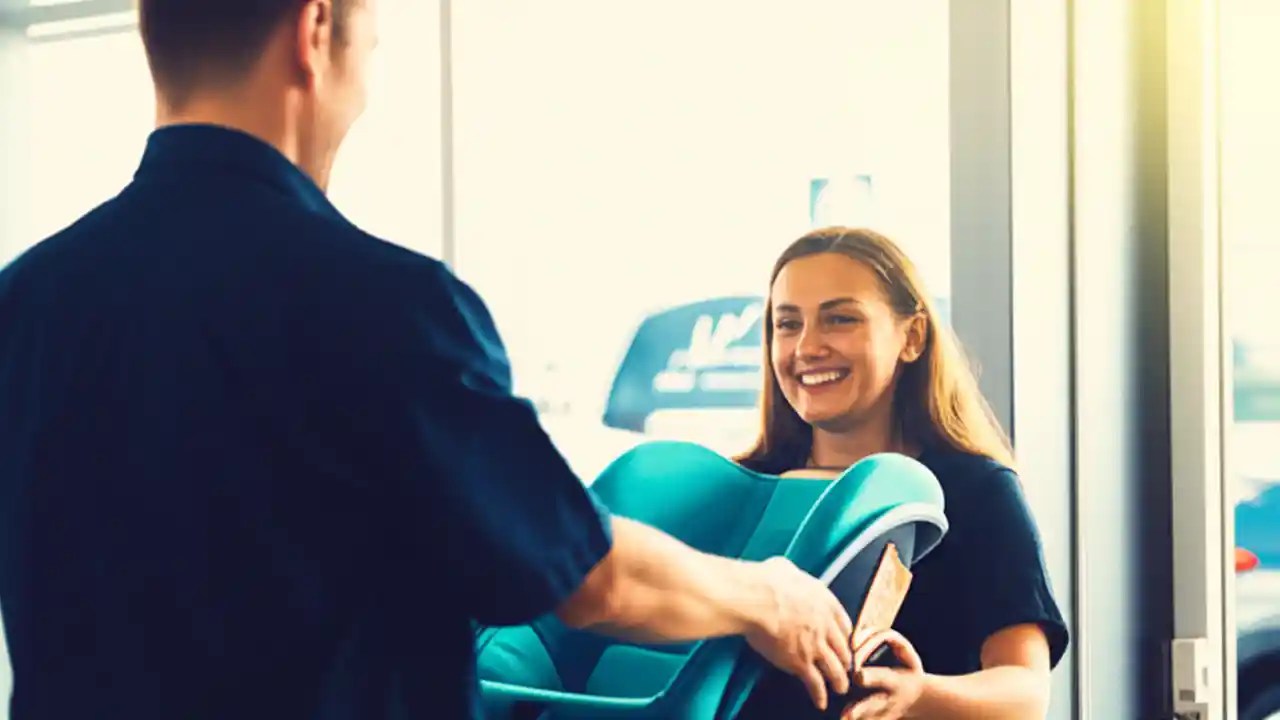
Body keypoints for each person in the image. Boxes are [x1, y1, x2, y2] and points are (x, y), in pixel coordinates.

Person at [0, 2, 856, 718]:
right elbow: (580, 576)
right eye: (372, 34)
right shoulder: (383, 306)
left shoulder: (25, 303)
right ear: (315, 30)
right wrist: (765, 595)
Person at [735, 227, 1071, 719]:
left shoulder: (975, 491)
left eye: (840, 319)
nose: (807, 347)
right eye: (787, 324)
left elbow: (1024, 693)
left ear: (911, 337)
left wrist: (918, 696)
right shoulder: (740, 489)